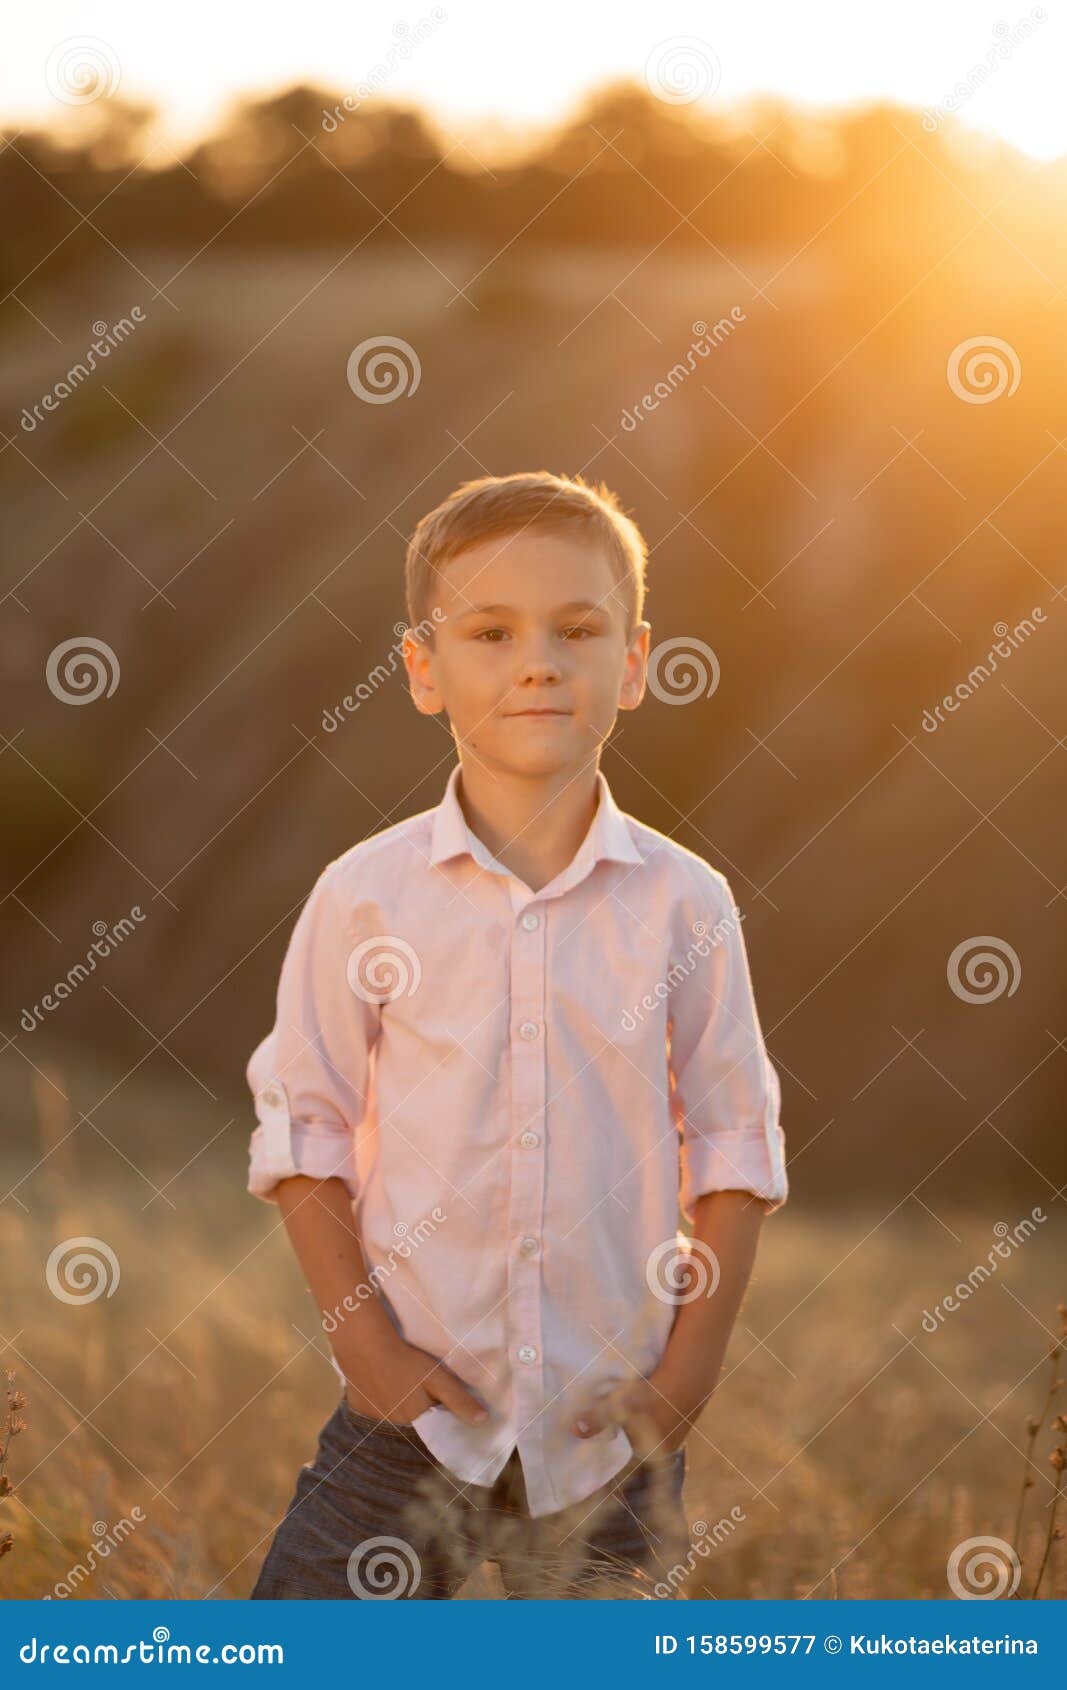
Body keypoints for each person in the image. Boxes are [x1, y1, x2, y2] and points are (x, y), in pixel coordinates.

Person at [245, 470, 788, 1599]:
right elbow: (305, 1132)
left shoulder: (684, 904)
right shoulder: (365, 895)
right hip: (407, 1427)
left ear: (632, 663)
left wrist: (685, 1377)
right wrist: (367, 1352)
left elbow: (734, 1145)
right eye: (490, 631)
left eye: (575, 629)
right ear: (424, 671)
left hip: (608, 1435)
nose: (536, 660)